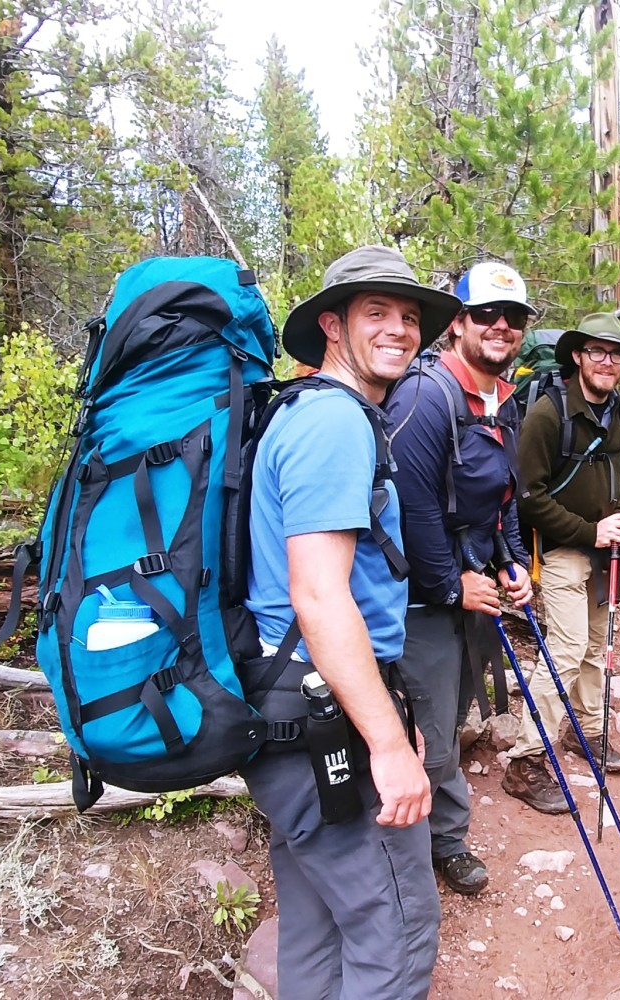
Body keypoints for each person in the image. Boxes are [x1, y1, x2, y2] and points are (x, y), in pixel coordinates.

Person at [242, 245, 459, 1000]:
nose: (400, 329)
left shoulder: (302, 413)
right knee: (394, 935)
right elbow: (319, 595)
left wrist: (391, 711)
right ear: (332, 325)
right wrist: (389, 744)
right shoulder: (335, 424)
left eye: (409, 316)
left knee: (316, 926)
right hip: (319, 720)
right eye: (377, 313)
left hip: (291, 715)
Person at [386, 261, 535, 896]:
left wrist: (511, 559)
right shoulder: (427, 397)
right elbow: (412, 507)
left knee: (447, 721)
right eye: (485, 314)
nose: (500, 326)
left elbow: (500, 496)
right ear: (457, 323)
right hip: (422, 598)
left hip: (470, 579)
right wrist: (452, 586)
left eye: (514, 317)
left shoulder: (500, 400)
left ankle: (444, 840)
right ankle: (403, 857)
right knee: (426, 725)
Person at [506, 312, 620, 813]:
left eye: (616, 355)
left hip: (607, 551)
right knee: (566, 651)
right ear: (577, 357)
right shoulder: (549, 414)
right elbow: (529, 496)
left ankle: (587, 732)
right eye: (597, 352)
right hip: (565, 551)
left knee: (595, 648)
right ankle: (524, 760)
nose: (607, 362)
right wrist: (591, 530)